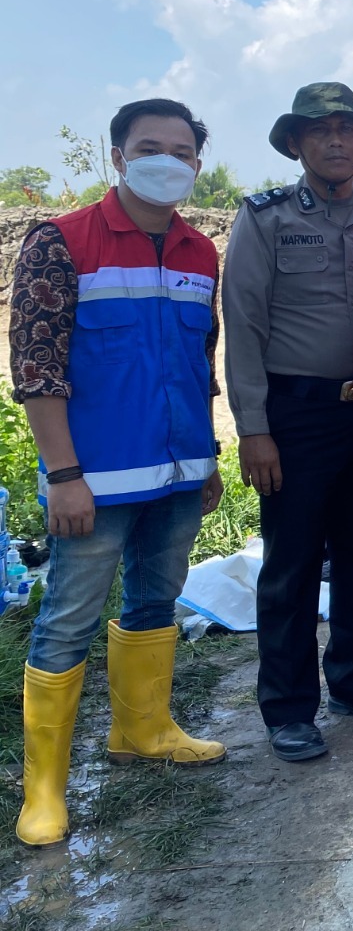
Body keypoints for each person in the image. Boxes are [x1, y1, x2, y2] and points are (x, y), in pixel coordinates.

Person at [9, 99, 226, 846]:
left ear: (197, 163)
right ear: (118, 156)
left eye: (181, 151)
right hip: (93, 482)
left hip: (179, 475)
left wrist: (209, 459)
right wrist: (62, 474)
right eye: (149, 147)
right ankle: (43, 791)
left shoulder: (199, 251)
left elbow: (200, 364)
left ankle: (142, 730)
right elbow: (37, 371)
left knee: (155, 600)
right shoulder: (61, 241)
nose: (167, 162)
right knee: (68, 620)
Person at [223, 82, 353, 763]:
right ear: (295, 143)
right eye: (320, 130)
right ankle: (289, 708)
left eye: (347, 130)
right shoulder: (264, 217)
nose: (335, 141)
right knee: (291, 564)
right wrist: (253, 428)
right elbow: (242, 325)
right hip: (296, 416)